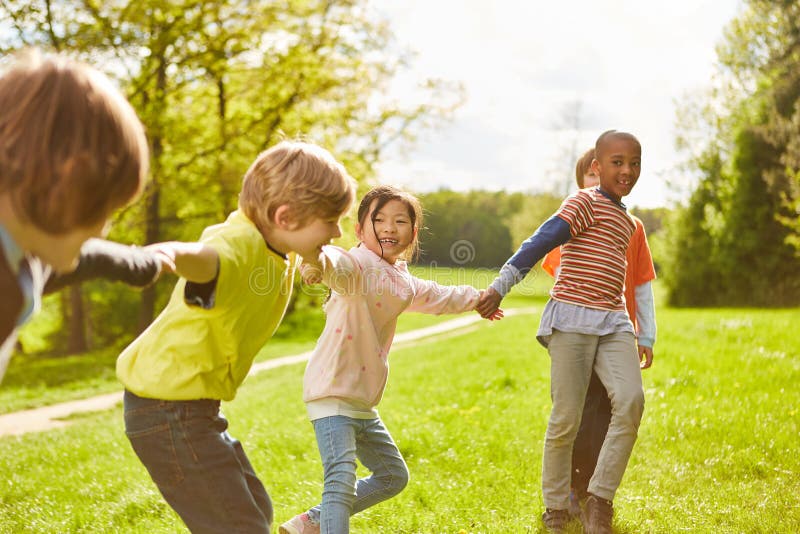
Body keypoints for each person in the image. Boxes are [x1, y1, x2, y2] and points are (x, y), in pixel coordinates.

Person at [116, 141, 357, 534]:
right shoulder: (238, 244)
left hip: (191, 407)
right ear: (286, 216)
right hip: (168, 410)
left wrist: (324, 258)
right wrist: (159, 257)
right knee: (238, 524)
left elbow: (317, 254)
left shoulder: (277, 242)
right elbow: (206, 258)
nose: (337, 230)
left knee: (254, 508)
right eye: (330, 220)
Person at [280, 185, 502, 534]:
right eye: (379, 219)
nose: (389, 228)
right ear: (359, 229)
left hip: (363, 400)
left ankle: (313, 521)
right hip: (333, 389)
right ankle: (323, 520)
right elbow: (334, 262)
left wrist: (480, 298)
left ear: (413, 234)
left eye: (400, 221)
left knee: (392, 476)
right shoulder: (355, 266)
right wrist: (316, 263)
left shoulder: (402, 281)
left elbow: (440, 295)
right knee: (339, 481)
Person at [476, 130, 646, 534]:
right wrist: (500, 286)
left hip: (613, 320)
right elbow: (539, 242)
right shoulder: (583, 202)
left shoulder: (626, 221)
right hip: (572, 317)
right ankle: (555, 508)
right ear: (597, 167)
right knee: (566, 417)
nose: (626, 170)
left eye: (634, 163)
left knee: (631, 399)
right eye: (617, 162)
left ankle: (598, 501)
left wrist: (642, 330)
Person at [0, 49, 151, 383]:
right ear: (69, 180)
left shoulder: (21, 247)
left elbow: (85, 258)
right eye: (106, 208)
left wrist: (142, 263)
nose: (104, 230)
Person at [542, 148, 656, 513]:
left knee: (610, 411)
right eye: (589, 179)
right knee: (575, 411)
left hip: (615, 332)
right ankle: (570, 489)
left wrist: (645, 334)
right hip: (577, 331)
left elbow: (642, 285)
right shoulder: (576, 220)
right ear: (582, 183)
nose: (597, 184)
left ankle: (596, 489)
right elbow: (562, 275)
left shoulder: (632, 226)